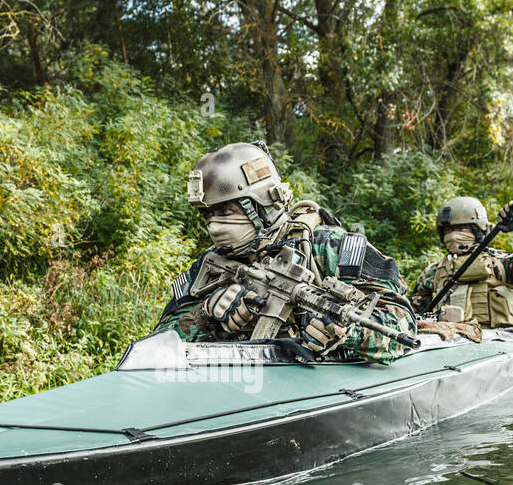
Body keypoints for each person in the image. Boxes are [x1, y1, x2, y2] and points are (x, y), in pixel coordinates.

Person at [155, 142, 417, 364]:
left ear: (262, 205)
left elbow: (401, 325)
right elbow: (157, 344)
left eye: (225, 212)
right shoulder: (209, 264)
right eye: (207, 214)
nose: (213, 225)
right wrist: (206, 313)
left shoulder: (330, 248)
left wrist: (347, 333)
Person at [409, 196, 513, 330]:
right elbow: (414, 315)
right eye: (448, 230)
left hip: (499, 343)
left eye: (462, 228)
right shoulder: (433, 273)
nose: (453, 235)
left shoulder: (501, 263)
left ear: (478, 229)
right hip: (453, 347)